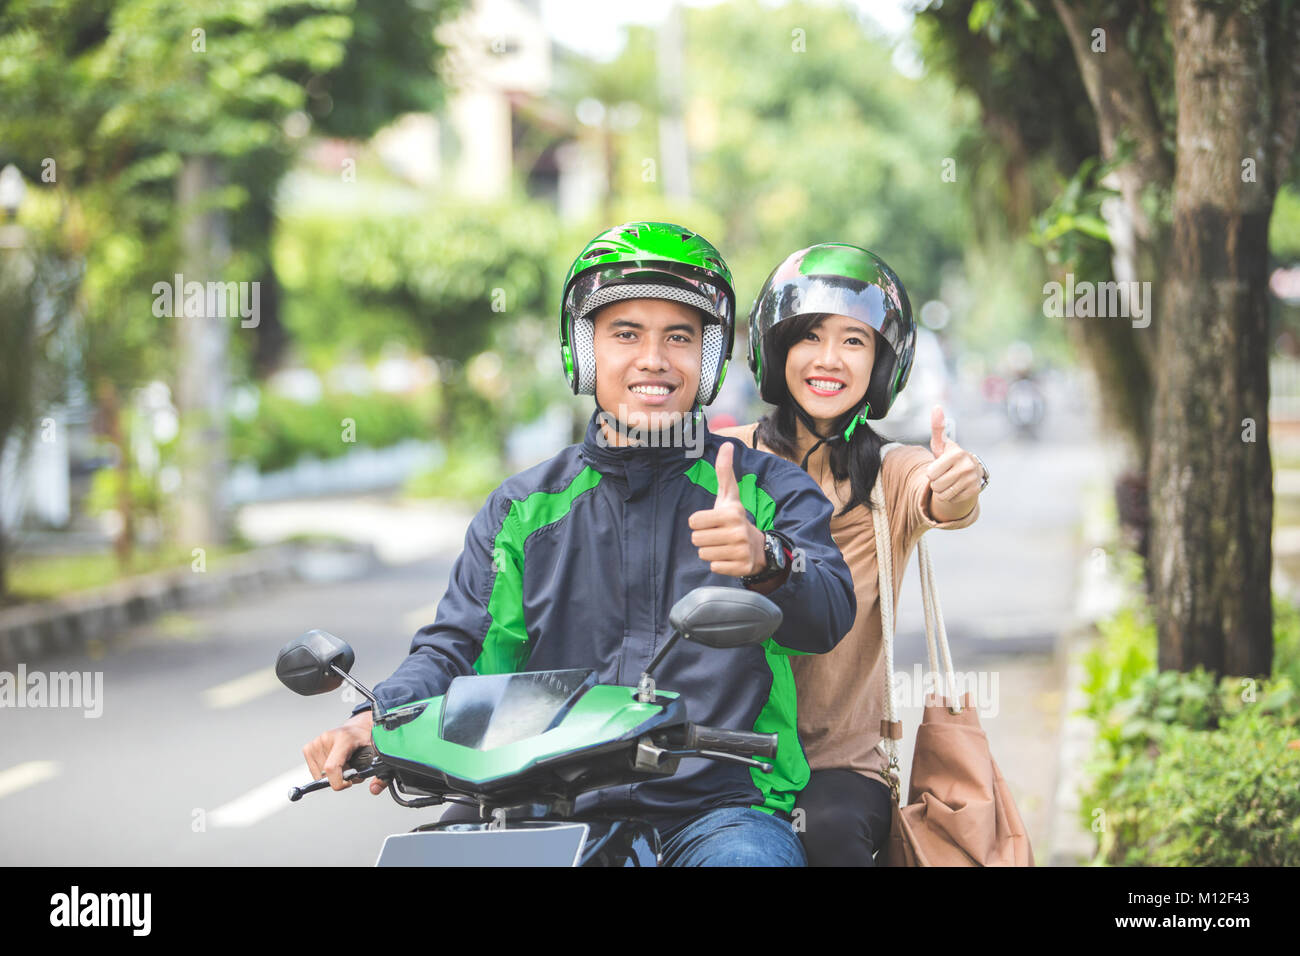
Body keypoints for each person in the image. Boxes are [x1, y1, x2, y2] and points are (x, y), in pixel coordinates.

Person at [301, 222, 857, 866]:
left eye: (680, 336)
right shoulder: (524, 508)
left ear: (706, 359)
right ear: (584, 348)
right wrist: (379, 715)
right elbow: (460, 645)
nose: (654, 358)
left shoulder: (764, 488)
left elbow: (827, 616)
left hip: (715, 806)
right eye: (626, 334)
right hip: (531, 799)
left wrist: (766, 561)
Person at [716, 243, 989, 866]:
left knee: (829, 834)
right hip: (725, 754)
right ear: (777, 348)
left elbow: (944, 493)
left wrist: (963, 481)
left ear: (882, 364)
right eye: (810, 336)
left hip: (836, 766)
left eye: (854, 341)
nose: (829, 359)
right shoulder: (725, 458)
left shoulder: (888, 476)